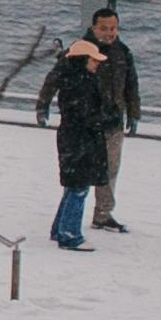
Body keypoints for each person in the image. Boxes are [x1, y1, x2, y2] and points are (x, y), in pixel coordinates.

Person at [40, 24, 125, 253]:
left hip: (73, 139)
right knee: (78, 188)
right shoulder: (82, 84)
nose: (97, 64)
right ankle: (70, 235)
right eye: (93, 60)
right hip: (80, 141)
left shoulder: (72, 80)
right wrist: (107, 120)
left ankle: (60, 228)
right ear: (82, 60)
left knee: (73, 186)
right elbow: (87, 116)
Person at [81, 0, 147, 234]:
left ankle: (103, 213)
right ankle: (70, 215)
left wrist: (134, 113)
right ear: (93, 28)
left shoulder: (123, 52)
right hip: (88, 121)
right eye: (104, 28)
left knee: (110, 169)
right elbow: (59, 79)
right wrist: (44, 104)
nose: (110, 33)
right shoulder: (81, 50)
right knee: (79, 171)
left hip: (113, 121)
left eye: (113, 28)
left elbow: (132, 85)